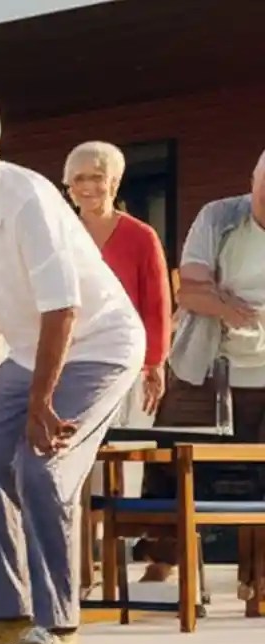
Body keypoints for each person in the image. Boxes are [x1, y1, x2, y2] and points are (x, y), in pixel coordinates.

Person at [0, 86, 143, 644]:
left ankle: (58, 625)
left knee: (41, 466)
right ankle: (6, 615)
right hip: (25, 350)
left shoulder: (29, 198)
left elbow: (63, 307)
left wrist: (41, 400)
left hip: (100, 343)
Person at [145, 148, 265, 598]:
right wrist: (225, 307)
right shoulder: (219, 216)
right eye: (261, 194)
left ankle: (257, 580)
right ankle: (160, 567)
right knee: (174, 464)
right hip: (205, 362)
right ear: (252, 185)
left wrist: (219, 294)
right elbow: (192, 289)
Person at [63, 141, 171, 426]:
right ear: (69, 187)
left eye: (96, 177)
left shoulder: (141, 237)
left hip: (130, 361)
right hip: (73, 363)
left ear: (114, 182)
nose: (87, 186)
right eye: (79, 178)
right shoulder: (60, 236)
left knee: (129, 455)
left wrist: (155, 362)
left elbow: (156, 303)